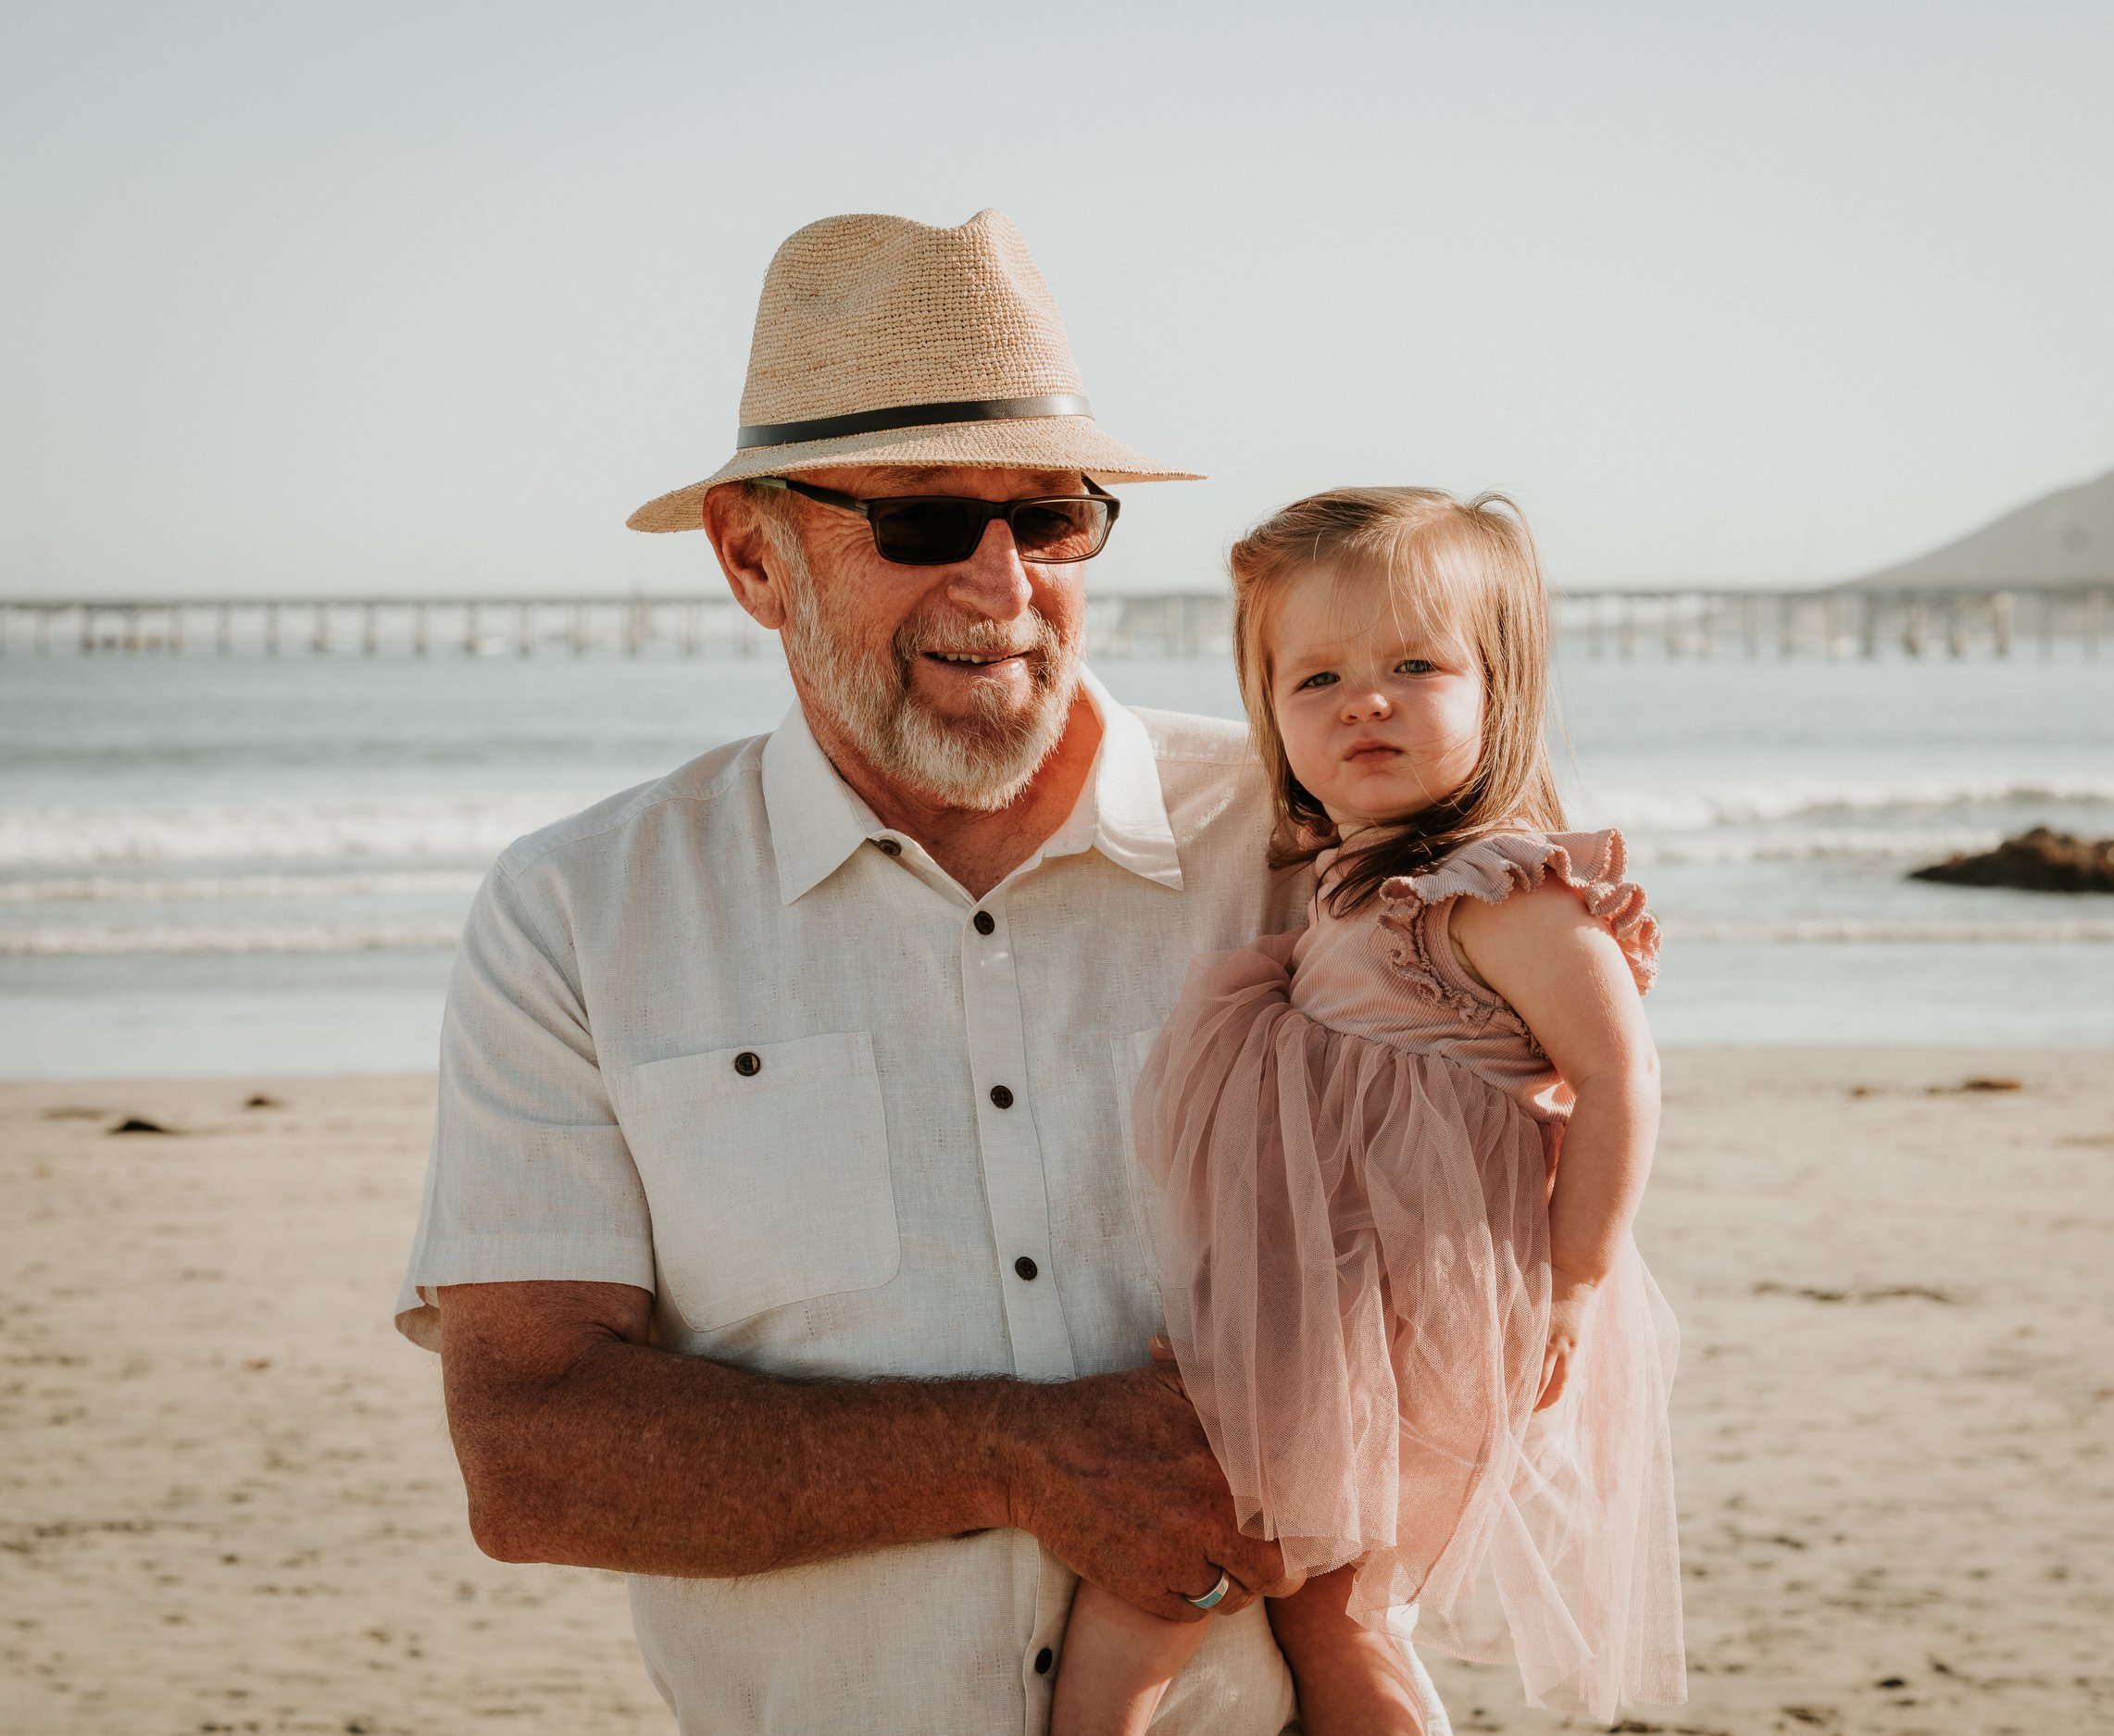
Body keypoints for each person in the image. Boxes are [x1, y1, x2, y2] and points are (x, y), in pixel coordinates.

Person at [394, 209, 1454, 1734]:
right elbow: (529, 1453)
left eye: (1054, 518)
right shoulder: (576, 911)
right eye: (921, 523)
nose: (1003, 583)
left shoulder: (1313, 852)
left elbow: (1510, 1255)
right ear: (753, 557)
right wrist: (1018, 1454)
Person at [1050, 489, 1687, 1734]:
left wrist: (1571, 1282)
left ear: (1498, 686)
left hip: (1408, 1321)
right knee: (1320, 1605)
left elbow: (1618, 1078)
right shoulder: (1351, 880)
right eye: (1317, 678)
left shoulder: (1496, 890)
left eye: (1415, 664)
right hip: (1326, 1311)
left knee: (1179, 1560)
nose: (1365, 700)